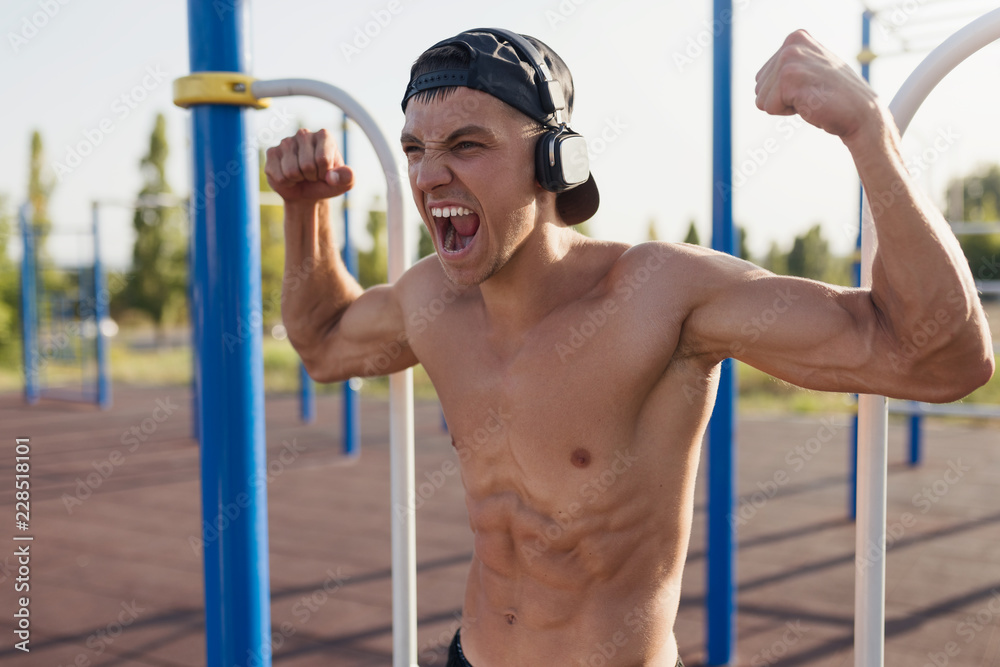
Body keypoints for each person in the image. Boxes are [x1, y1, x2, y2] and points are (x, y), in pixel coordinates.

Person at [264, 27, 994, 667]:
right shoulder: (432, 299)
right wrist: (304, 212)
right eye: (416, 149)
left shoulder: (658, 294)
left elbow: (939, 356)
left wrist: (867, 128)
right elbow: (326, 342)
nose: (426, 175)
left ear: (555, 160)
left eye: (466, 145)